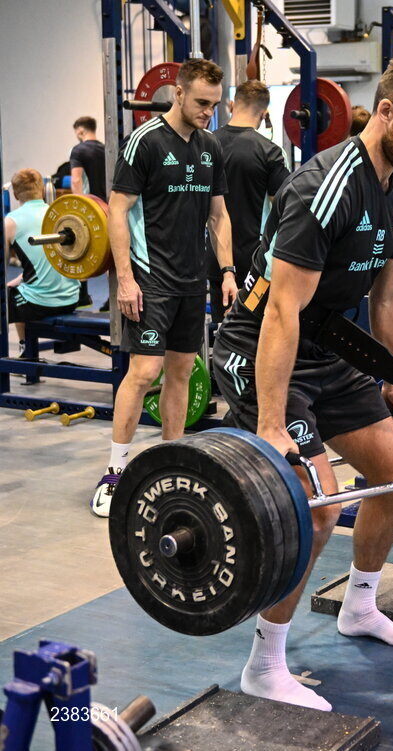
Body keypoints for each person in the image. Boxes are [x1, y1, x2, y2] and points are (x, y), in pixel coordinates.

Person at [211, 52, 393, 712]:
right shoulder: (324, 186)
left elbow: (388, 291)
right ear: (386, 113)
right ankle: (264, 663)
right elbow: (281, 311)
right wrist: (269, 424)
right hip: (261, 349)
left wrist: (391, 375)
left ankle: (360, 606)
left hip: (327, 351)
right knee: (315, 511)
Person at [90, 58, 237, 517]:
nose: (207, 112)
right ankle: (115, 471)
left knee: (182, 372)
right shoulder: (145, 142)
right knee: (144, 372)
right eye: (200, 102)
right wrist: (126, 280)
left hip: (194, 281)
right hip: (150, 279)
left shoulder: (210, 146)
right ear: (177, 92)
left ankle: (174, 461)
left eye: (214, 105)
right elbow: (117, 211)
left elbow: (219, 215)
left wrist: (228, 270)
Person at [208, 79, 290, 323]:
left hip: (216, 258)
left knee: (222, 332)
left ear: (232, 105)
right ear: (264, 113)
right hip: (256, 262)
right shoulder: (271, 151)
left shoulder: (206, 143)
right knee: (255, 332)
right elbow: (284, 209)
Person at [4, 169, 81, 353]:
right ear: (42, 190)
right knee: (19, 285)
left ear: (15, 194)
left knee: (9, 295)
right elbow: (47, 259)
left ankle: (25, 350)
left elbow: (3, 268)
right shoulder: (60, 214)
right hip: (72, 298)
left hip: (40, 304)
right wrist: (23, 277)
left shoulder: (11, 221)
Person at [70, 116, 108, 309]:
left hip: (89, 208)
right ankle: (112, 298)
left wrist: (78, 207)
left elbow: (76, 180)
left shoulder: (78, 150)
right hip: (107, 207)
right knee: (110, 252)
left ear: (80, 130)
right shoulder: (105, 148)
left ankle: (83, 295)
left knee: (79, 249)